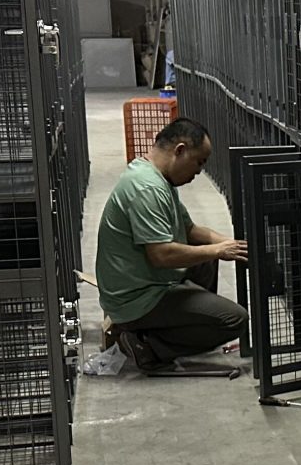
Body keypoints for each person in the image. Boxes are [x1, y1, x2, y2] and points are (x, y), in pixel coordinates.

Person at [96, 117, 248, 373]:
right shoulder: (147, 188)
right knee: (234, 320)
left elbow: (189, 230)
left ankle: (176, 324)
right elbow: (161, 255)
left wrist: (233, 244)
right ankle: (145, 344)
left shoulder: (158, 178)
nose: (199, 171)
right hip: (135, 298)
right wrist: (217, 250)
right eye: (199, 162)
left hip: (146, 281)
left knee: (206, 255)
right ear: (180, 150)